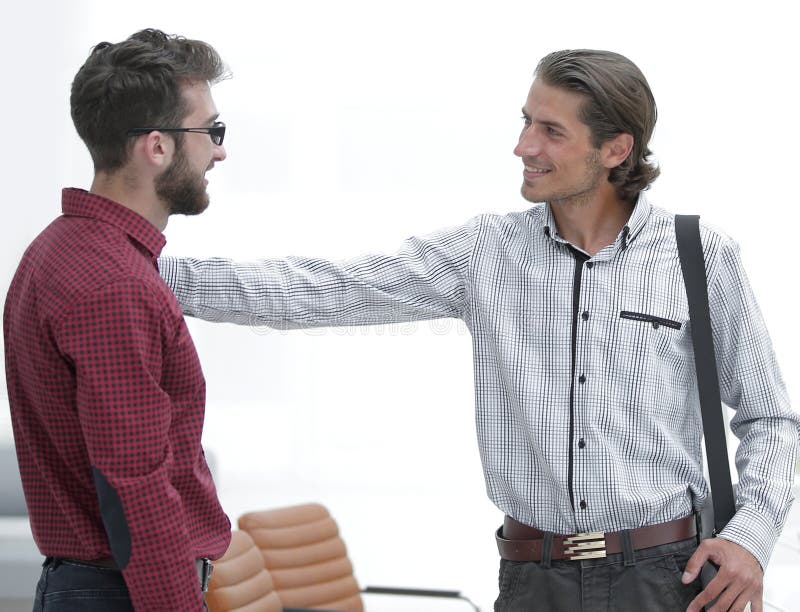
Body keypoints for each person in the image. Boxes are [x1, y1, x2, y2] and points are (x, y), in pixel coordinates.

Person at [159, 49, 799, 611]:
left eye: (551, 130)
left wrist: (752, 538)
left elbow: (771, 418)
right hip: (531, 580)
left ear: (615, 149)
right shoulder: (484, 254)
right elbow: (327, 288)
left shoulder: (698, 255)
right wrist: (147, 270)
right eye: (526, 121)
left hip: (668, 581)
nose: (523, 146)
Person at [4, 29, 231, 610]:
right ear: (156, 147)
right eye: (212, 132)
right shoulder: (113, 284)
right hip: (119, 594)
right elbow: (135, 488)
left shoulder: (60, 248)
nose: (220, 152)